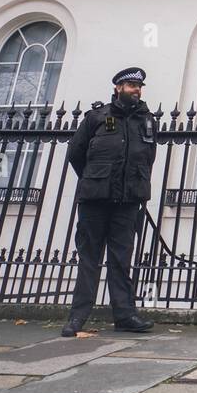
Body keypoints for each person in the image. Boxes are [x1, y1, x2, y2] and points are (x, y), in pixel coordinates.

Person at [61, 67, 157, 337]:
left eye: (139, 86)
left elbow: (148, 157)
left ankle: (125, 315)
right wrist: (95, 179)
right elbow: (76, 154)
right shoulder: (97, 117)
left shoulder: (147, 121)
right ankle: (77, 317)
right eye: (131, 85)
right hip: (95, 199)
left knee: (121, 260)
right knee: (89, 258)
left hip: (127, 201)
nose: (136, 90)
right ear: (118, 88)